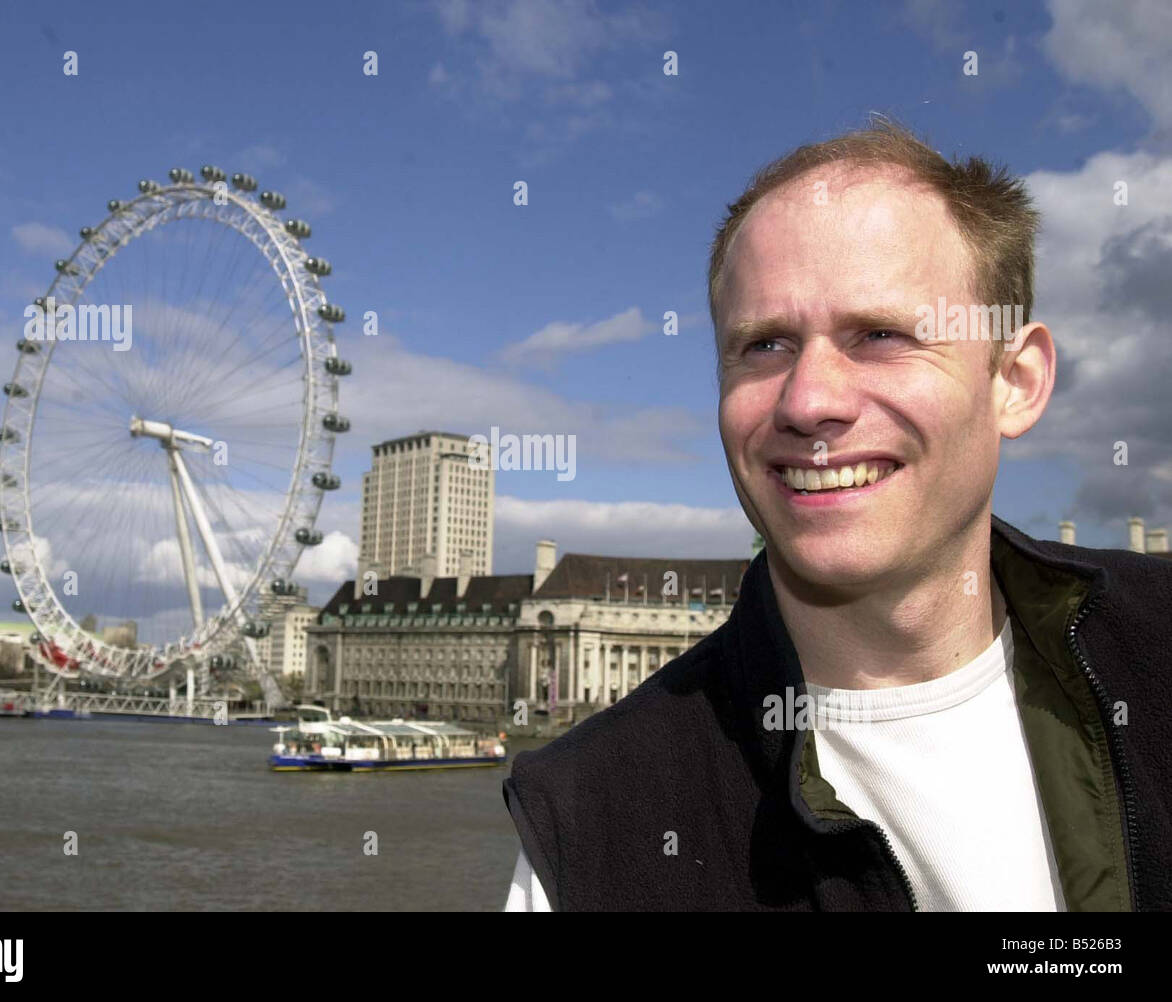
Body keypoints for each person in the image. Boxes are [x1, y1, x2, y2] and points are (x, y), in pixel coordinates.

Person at [502, 118, 1172, 912]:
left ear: (1015, 381)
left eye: (881, 334)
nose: (811, 400)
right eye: (765, 346)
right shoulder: (590, 827)